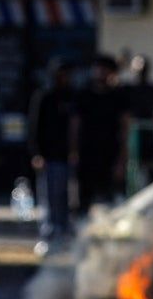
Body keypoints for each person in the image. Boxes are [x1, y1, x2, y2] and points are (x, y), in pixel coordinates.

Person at [72, 54, 128, 215]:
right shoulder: (83, 94)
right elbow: (75, 125)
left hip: (110, 153)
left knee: (111, 200)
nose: (101, 73)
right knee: (84, 199)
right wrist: (74, 151)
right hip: (87, 153)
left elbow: (125, 128)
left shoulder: (118, 96)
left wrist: (122, 159)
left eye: (105, 69)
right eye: (98, 69)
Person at [29, 60, 76, 243]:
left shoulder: (71, 96)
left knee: (67, 197)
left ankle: (64, 232)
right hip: (48, 156)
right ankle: (48, 234)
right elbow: (34, 127)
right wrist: (36, 153)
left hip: (67, 157)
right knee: (48, 196)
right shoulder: (44, 96)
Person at [123, 54, 153, 188]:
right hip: (131, 136)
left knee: (151, 170)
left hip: (148, 134)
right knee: (131, 169)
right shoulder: (128, 89)